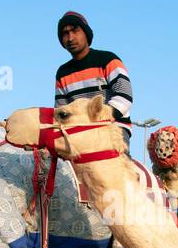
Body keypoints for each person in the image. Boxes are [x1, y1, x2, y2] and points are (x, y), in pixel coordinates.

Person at [54, 11, 134, 148]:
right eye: (65, 34)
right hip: (79, 133)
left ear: (86, 33)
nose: (70, 38)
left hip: (113, 127)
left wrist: (98, 118)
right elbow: (61, 110)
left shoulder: (108, 60)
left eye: (75, 30)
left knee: (114, 164)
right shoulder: (62, 73)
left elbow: (124, 95)